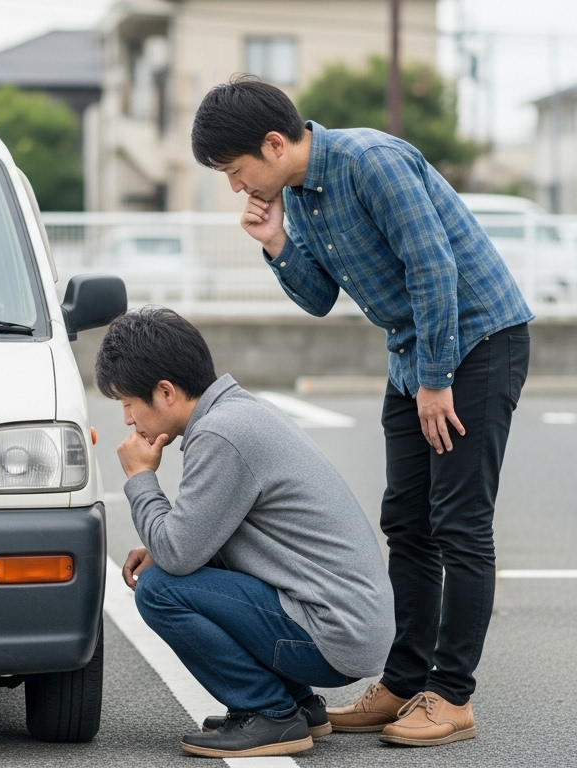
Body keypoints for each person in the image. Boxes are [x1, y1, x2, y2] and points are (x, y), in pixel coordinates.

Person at [188, 75, 533, 747]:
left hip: (479, 339)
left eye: (236, 171)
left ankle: (452, 696)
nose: (236, 186)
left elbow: (432, 266)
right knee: (407, 521)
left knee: (459, 523)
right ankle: (404, 683)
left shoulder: (371, 160)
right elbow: (319, 297)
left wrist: (437, 378)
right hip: (418, 350)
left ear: (273, 142)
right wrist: (275, 244)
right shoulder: (298, 197)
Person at [99, 306, 394, 759]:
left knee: (159, 590)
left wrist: (140, 478)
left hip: (333, 634)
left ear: (165, 392)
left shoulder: (222, 433)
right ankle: (299, 705)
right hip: (347, 624)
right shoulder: (239, 412)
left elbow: (178, 556)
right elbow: (204, 536)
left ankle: (271, 714)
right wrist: (163, 543)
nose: (127, 420)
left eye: (126, 404)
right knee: (170, 571)